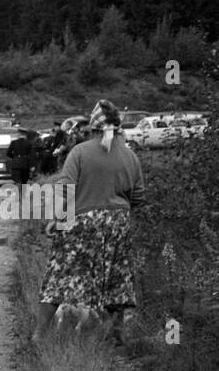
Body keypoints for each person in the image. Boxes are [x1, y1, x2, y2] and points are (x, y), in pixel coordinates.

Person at [35, 99, 145, 345]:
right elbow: (138, 197)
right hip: (118, 222)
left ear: (93, 129)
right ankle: (116, 336)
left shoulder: (80, 152)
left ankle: (40, 335)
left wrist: (56, 218)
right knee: (116, 277)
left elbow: (65, 189)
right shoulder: (130, 157)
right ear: (117, 129)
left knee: (60, 274)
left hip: (83, 220)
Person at [7, 126, 32, 190]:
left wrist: (15, 157)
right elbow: (32, 155)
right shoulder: (29, 143)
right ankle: (23, 195)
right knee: (24, 180)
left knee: (17, 180)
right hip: (25, 163)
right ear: (25, 134)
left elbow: (8, 153)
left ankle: (19, 194)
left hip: (16, 163)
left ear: (19, 134)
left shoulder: (13, 142)